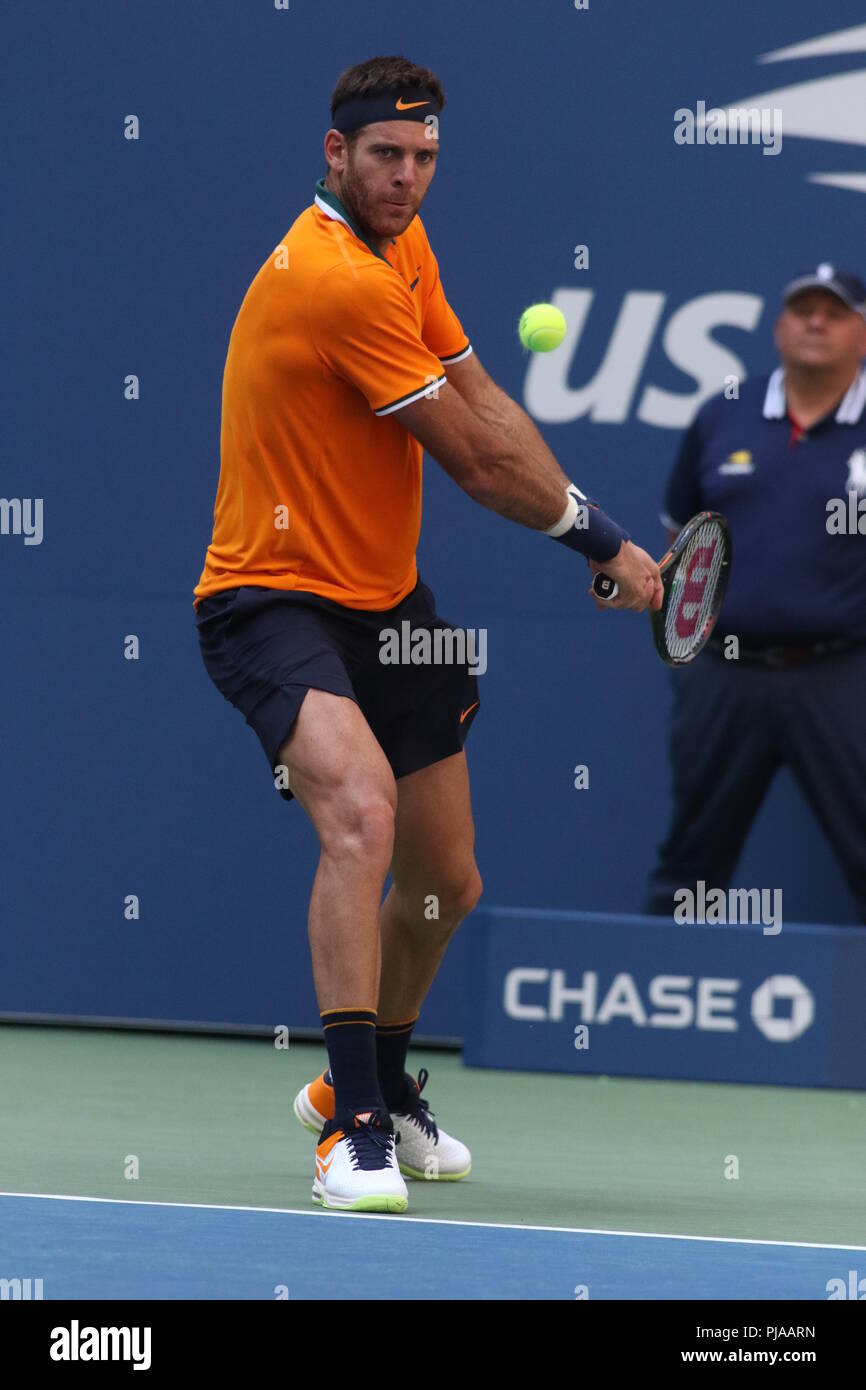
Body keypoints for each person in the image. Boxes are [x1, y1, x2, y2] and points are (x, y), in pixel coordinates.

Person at [194, 54, 661, 1213]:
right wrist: (598, 542)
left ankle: (379, 1076)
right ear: (333, 154)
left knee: (447, 879)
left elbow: (480, 395)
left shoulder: (405, 249)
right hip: (268, 596)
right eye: (385, 156)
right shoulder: (333, 278)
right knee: (359, 813)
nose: (405, 179)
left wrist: (591, 521)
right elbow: (471, 459)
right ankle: (351, 1128)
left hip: (385, 604)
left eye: (424, 160)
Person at [645, 264, 866, 922]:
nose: (816, 322)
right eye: (803, 311)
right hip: (723, 675)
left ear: (862, 333)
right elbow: (679, 533)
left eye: (835, 312)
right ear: (778, 328)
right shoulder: (724, 414)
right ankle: (666, 1005)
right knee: (691, 864)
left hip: (843, 675)